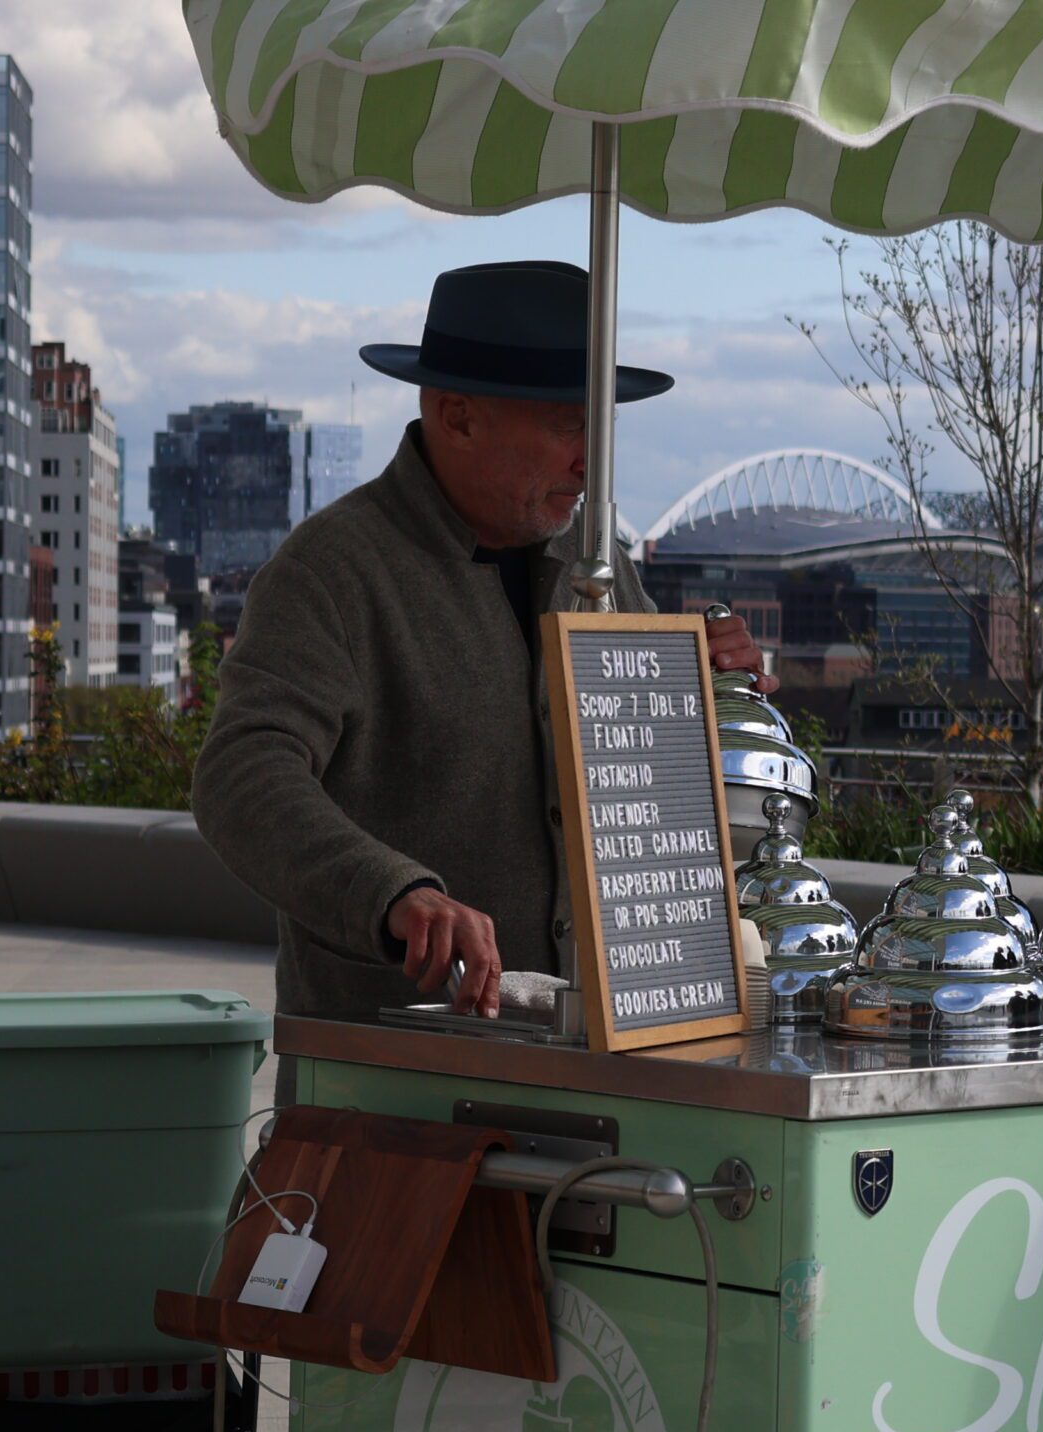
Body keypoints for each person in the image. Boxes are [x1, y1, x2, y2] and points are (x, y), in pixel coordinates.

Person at [192, 260, 758, 1018]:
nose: (592, 462)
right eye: (568, 425)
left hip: (597, 1069)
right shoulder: (329, 571)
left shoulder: (600, 567)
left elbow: (638, 783)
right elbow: (240, 776)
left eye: (601, 427)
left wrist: (709, 693)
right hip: (395, 1084)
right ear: (456, 415)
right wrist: (393, 892)